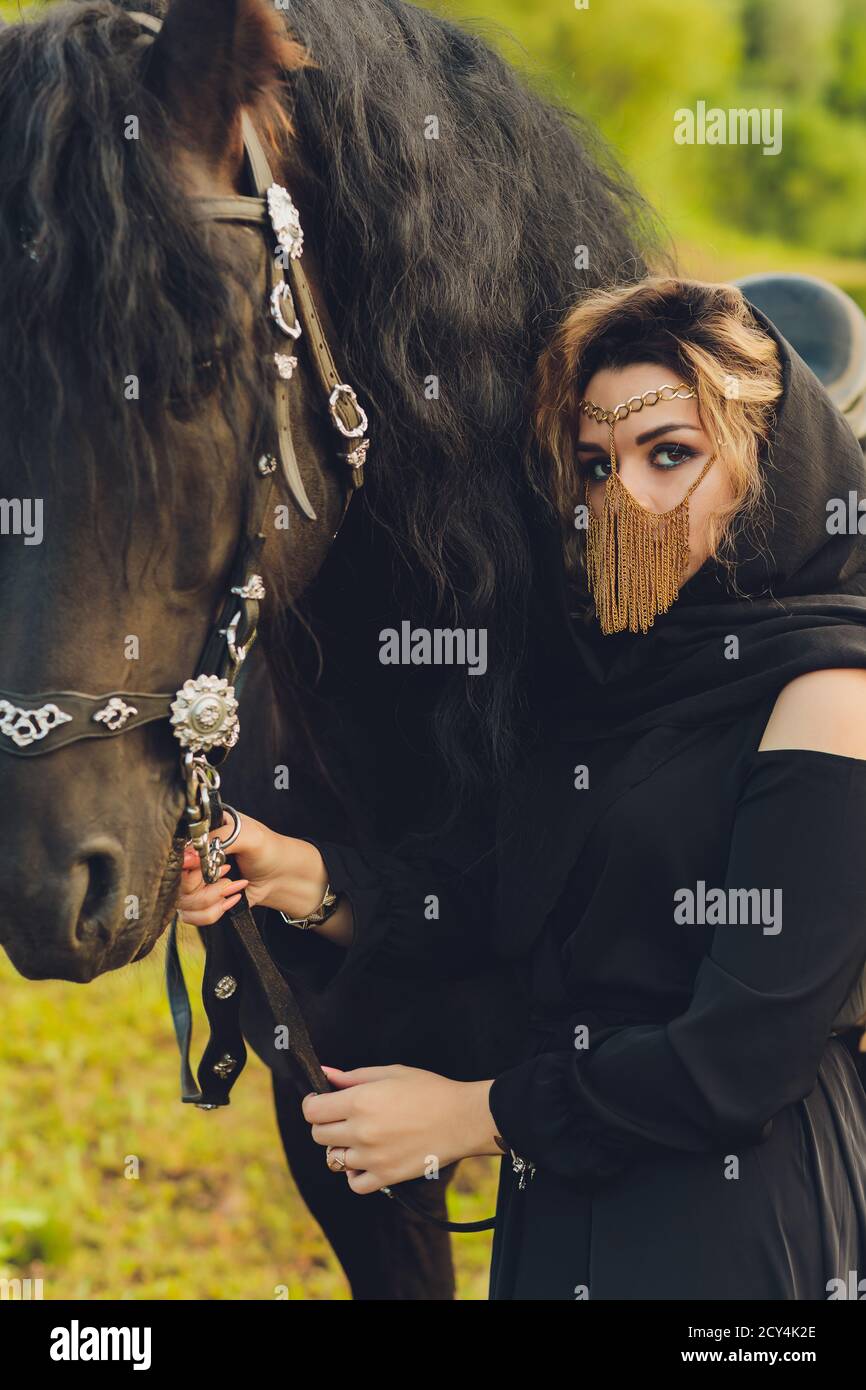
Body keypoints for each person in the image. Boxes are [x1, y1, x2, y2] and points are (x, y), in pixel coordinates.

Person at [179, 277, 866, 1300]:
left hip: (730, 1222)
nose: (620, 496)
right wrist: (299, 876)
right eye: (594, 465)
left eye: (668, 453)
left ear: (764, 468)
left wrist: (473, 1115)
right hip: (561, 1201)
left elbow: (738, 1059)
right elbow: (504, 898)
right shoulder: (606, 671)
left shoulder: (827, 694)